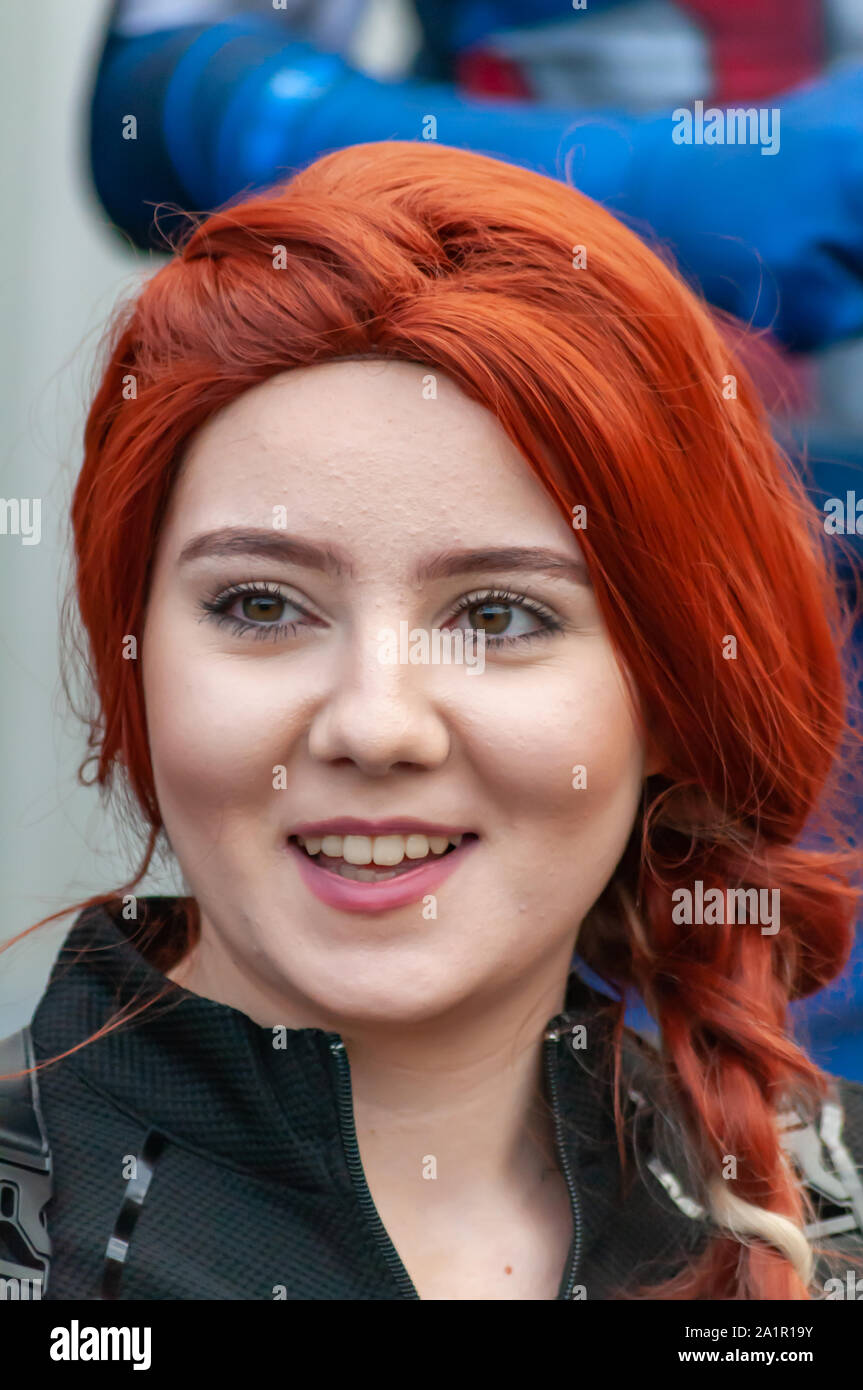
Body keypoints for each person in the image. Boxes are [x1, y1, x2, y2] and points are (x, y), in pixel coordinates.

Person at [2, 141, 863, 1301]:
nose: (376, 723)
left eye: (499, 614)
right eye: (261, 604)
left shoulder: (831, 1222)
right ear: (138, 659)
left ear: (668, 698)